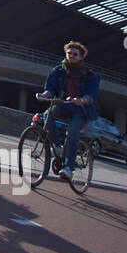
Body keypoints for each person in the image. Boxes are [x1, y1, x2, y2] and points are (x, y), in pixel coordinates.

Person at [37, 41, 100, 180]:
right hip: (64, 104)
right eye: (69, 53)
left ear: (81, 57)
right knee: (47, 115)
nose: (71, 56)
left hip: (82, 109)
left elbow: (92, 95)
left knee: (72, 133)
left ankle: (68, 168)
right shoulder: (59, 70)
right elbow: (51, 88)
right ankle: (58, 147)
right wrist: (45, 95)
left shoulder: (89, 75)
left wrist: (82, 100)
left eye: (75, 54)